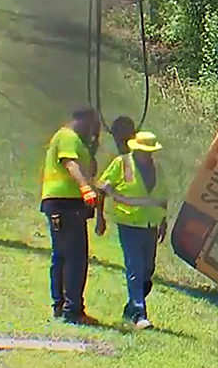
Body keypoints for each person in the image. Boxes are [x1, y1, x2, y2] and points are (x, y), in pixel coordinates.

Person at [96, 131, 169, 329]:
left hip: (150, 225)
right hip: (128, 224)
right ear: (135, 149)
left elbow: (162, 195)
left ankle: (130, 309)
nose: (147, 155)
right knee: (135, 268)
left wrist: (163, 220)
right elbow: (102, 188)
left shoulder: (158, 168)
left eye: (150, 152)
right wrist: (100, 218)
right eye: (144, 151)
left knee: (147, 271)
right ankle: (139, 314)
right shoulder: (122, 163)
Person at [40, 107, 102, 325]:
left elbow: (89, 168)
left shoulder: (78, 141)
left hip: (59, 202)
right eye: (93, 124)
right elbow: (70, 163)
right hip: (66, 203)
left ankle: (60, 305)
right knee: (75, 257)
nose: (93, 129)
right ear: (82, 119)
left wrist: (92, 147)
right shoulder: (67, 136)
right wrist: (85, 188)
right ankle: (73, 310)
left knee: (62, 256)